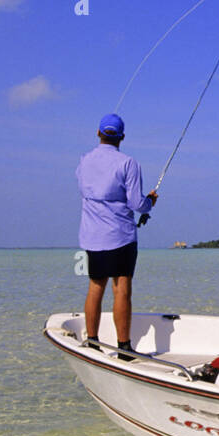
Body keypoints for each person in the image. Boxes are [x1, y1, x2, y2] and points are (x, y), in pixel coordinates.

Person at [77, 113, 156, 360]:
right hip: (121, 236)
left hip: (91, 237)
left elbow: (85, 189)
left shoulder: (84, 161)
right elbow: (136, 203)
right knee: (121, 289)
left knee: (95, 287)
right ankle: (124, 348)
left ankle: (92, 342)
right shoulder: (129, 163)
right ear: (122, 137)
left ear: (98, 133)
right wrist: (150, 202)